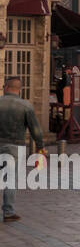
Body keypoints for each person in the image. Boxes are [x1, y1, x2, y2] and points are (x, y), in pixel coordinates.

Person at [0, 76, 44, 222]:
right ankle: (8, 212)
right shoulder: (25, 105)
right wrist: (40, 146)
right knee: (10, 180)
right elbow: (35, 129)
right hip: (15, 146)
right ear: (19, 90)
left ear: (6, 87)